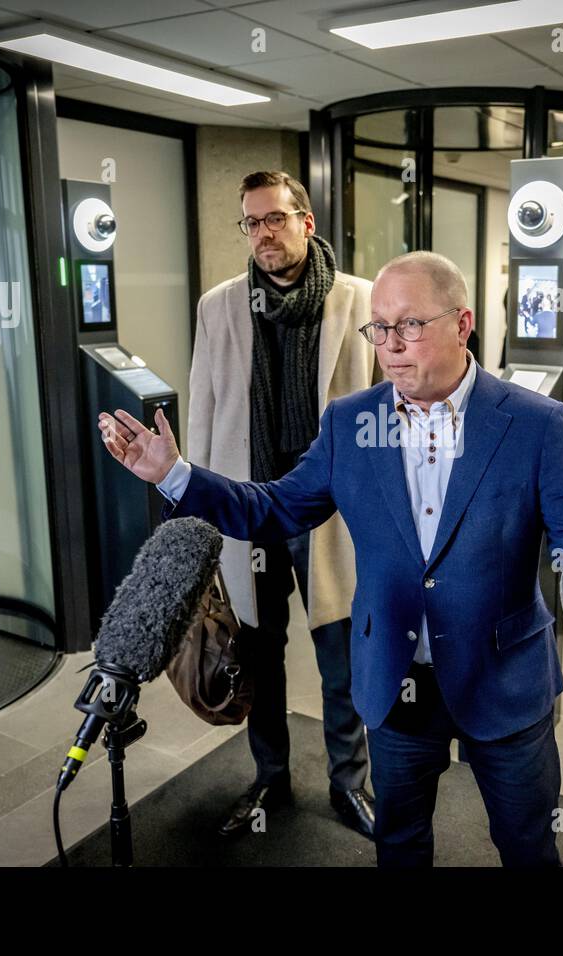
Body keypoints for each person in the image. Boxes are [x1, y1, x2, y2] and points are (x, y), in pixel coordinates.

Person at [98, 251, 563, 866]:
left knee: (527, 846)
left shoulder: (536, 424)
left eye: (408, 325)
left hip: (504, 678)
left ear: (463, 324)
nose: (389, 344)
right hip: (396, 675)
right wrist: (174, 475)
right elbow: (273, 509)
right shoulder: (350, 422)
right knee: (401, 844)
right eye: (378, 327)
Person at [179, 170, 377, 840]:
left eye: (275, 219)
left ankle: (350, 784)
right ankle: (270, 775)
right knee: (257, 653)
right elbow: (201, 411)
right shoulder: (220, 306)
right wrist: (201, 517)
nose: (264, 234)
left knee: (339, 653)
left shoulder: (360, 302)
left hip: (331, 511)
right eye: (252, 222)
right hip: (247, 509)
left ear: (306, 222)